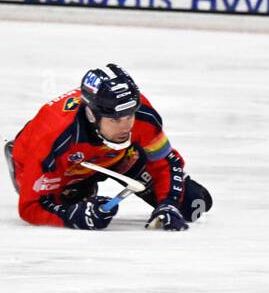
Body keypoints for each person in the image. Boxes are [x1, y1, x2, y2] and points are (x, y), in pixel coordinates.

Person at [5, 64, 213, 231]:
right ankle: (60, 180)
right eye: (115, 120)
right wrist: (74, 217)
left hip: (116, 156)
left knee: (195, 204)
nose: (126, 126)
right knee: (73, 206)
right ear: (92, 114)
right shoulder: (52, 136)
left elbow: (165, 161)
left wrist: (169, 203)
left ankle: (84, 187)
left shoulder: (142, 115)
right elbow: (31, 208)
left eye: (129, 116)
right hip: (65, 165)